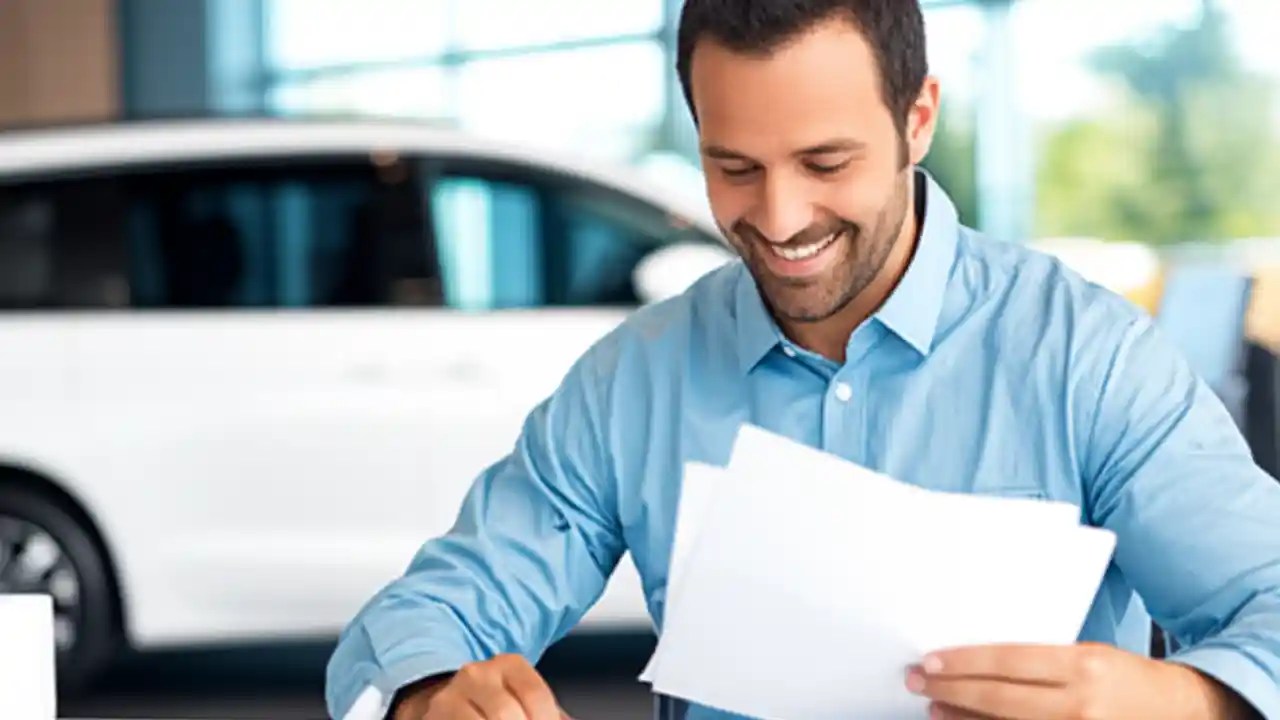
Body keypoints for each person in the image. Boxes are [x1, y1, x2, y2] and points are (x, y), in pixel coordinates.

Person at [326, 1, 1280, 718]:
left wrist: (1180, 702)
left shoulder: (1086, 359)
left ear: (918, 120)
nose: (778, 221)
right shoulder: (636, 380)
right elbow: (420, 617)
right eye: (733, 167)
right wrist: (427, 692)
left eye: (826, 163)